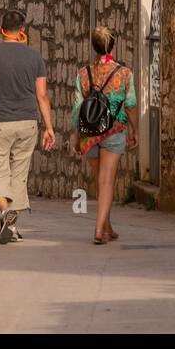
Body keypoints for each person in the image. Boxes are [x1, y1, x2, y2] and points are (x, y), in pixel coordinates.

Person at [0, 9, 56, 243]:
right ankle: (12, 227)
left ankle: (6, 213)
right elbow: (42, 95)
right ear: (22, 31)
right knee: (19, 175)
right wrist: (49, 127)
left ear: (1, 30)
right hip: (28, 123)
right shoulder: (35, 57)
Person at [70, 25, 138, 245]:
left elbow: (77, 107)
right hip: (113, 130)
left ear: (94, 47)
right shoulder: (124, 73)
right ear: (113, 46)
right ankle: (99, 229)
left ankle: (108, 227)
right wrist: (135, 129)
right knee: (107, 180)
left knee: (100, 182)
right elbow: (130, 104)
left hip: (89, 134)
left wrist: (75, 134)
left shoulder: (83, 74)